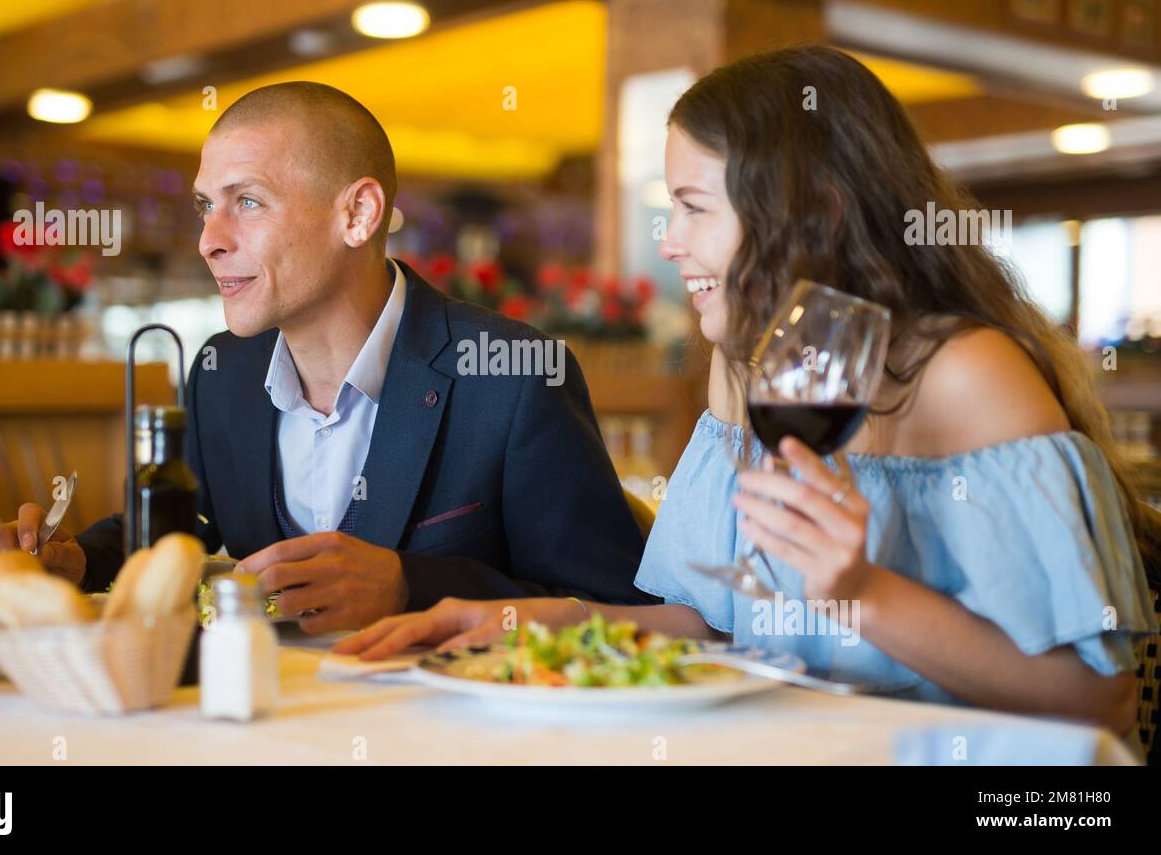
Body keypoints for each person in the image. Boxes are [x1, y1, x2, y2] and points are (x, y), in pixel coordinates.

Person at [336, 46, 1161, 737]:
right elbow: (717, 622)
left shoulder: (967, 377)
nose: (668, 242)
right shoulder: (750, 365)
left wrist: (863, 593)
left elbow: (1098, 703)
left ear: (818, 214)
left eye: (693, 207)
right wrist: (525, 622)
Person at [0, 81, 653, 632]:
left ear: (359, 215)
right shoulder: (224, 371)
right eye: (205, 208)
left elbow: (620, 612)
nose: (209, 241)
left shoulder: (512, 377)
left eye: (246, 203)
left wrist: (409, 585)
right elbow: (186, 522)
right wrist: (80, 560)